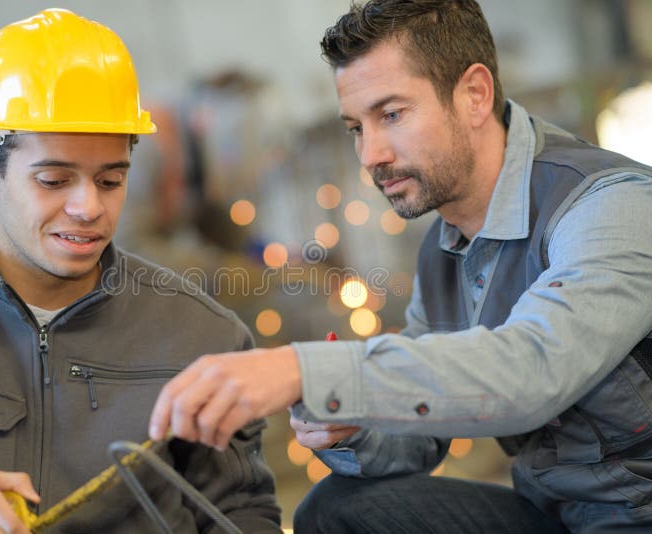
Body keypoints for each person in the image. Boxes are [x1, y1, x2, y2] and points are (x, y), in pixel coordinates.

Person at [148, 0, 652, 531]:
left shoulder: (612, 204)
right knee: (335, 508)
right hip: (556, 516)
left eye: (391, 114)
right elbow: (418, 443)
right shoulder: (442, 250)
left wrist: (302, 368)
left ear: (475, 95)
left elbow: (534, 368)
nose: (370, 155)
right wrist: (347, 427)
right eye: (356, 128)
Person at [0, 8, 281, 533]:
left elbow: (241, 514)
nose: (88, 208)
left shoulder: (201, 335)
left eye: (109, 181)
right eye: (54, 180)